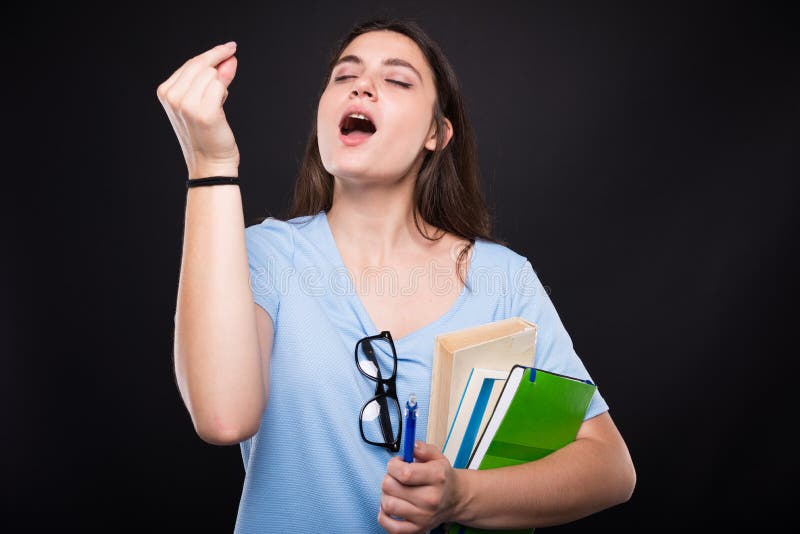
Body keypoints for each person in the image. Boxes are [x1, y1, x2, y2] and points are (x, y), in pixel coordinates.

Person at [159, 18, 636, 534]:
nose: (361, 85)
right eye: (344, 77)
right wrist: (211, 164)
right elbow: (223, 418)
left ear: (437, 133)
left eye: (398, 79)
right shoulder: (263, 255)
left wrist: (460, 496)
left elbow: (609, 468)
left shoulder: (504, 279)